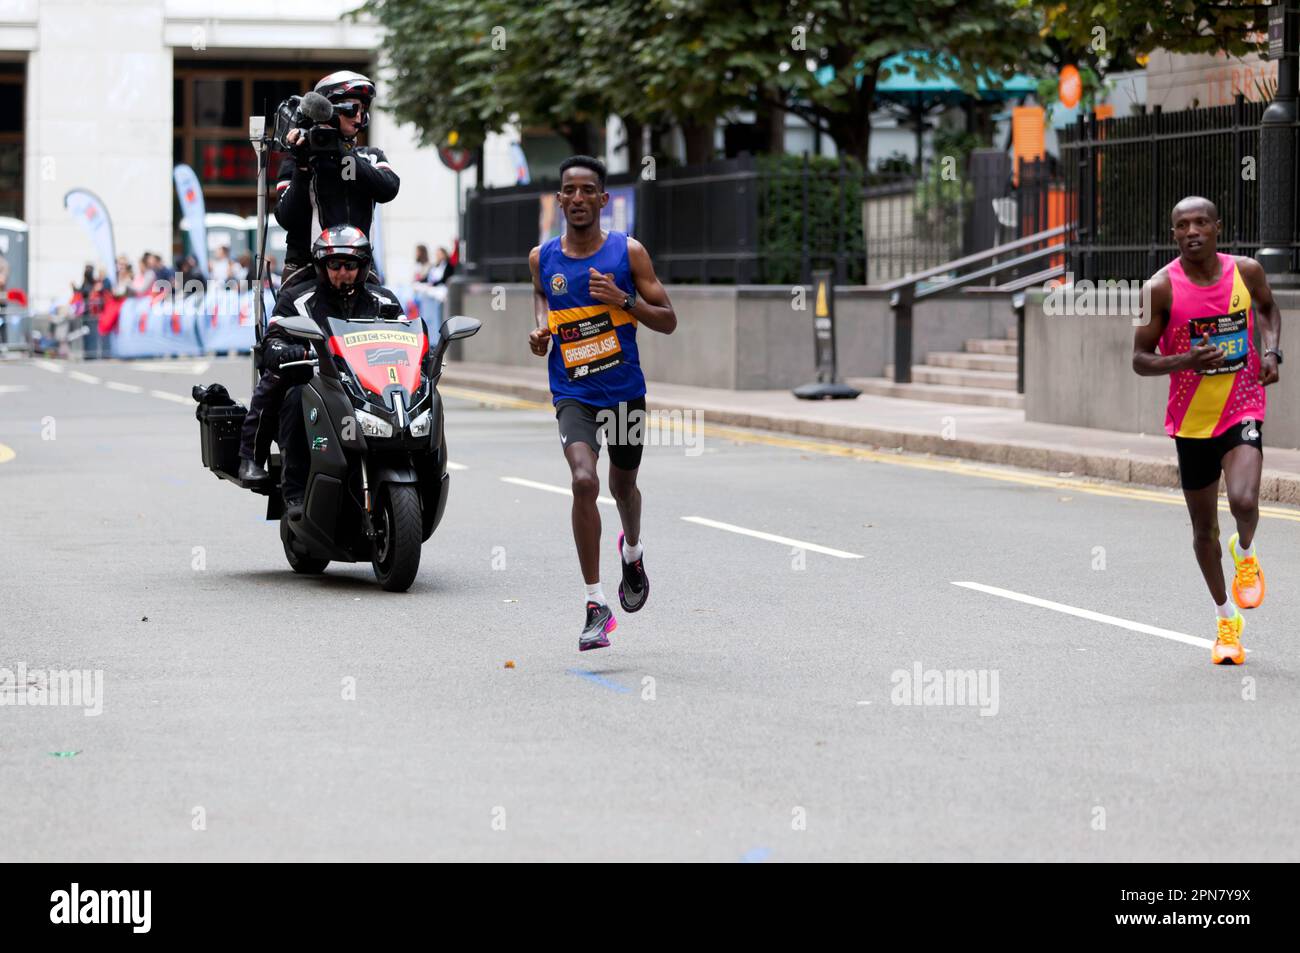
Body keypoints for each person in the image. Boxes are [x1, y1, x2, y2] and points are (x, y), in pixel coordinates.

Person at [527, 155, 678, 651]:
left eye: (586, 190)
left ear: (602, 200)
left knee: (624, 484)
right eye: (567, 190)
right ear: (560, 199)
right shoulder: (542, 257)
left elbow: (668, 320)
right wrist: (542, 328)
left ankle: (631, 551)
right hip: (573, 392)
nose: (575, 198)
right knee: (584, 480)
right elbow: (542, 298)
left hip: (625, 393)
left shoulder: (628, 253)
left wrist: (623, 300)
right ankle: (595, 604)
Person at [1133, 196, 1282, 665]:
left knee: (1243, 501)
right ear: (1173, 233)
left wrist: (1273, 353)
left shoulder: (1248, 271)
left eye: (1201, 222)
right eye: (1182, 225)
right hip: (1192, 423)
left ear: (1219, 226)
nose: (1192, 231)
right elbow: (1139, 358)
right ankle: (1225, 620)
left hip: (1242, 407)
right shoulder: (1158, 289)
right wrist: (1186, 360)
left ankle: (1247, 550)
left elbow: (1269, 311)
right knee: (1203, 530)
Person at [236, 70, 400, 480]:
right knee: (286, 362)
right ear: (327, 112)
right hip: (306, 272)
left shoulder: (369, 156)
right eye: (352, 109)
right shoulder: (299, 157)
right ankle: (251, 452)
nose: (360, 118)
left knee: (392, 348)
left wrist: (340, 156)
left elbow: (388, 187)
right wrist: (308, 163)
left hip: (361, 271)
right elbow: (287, 215)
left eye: (364, 111)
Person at [262, 225, 402, 518]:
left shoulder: (384, 301)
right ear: (321, 266)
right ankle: (295, 490)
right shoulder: (297, 299)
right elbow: (271, 341)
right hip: (318, 386)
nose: (342, 272)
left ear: (363, 267)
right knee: (297, 398)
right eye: (334, 265)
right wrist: (289, 351)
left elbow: (406, 338)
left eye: (350, 265)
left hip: (369, 390)